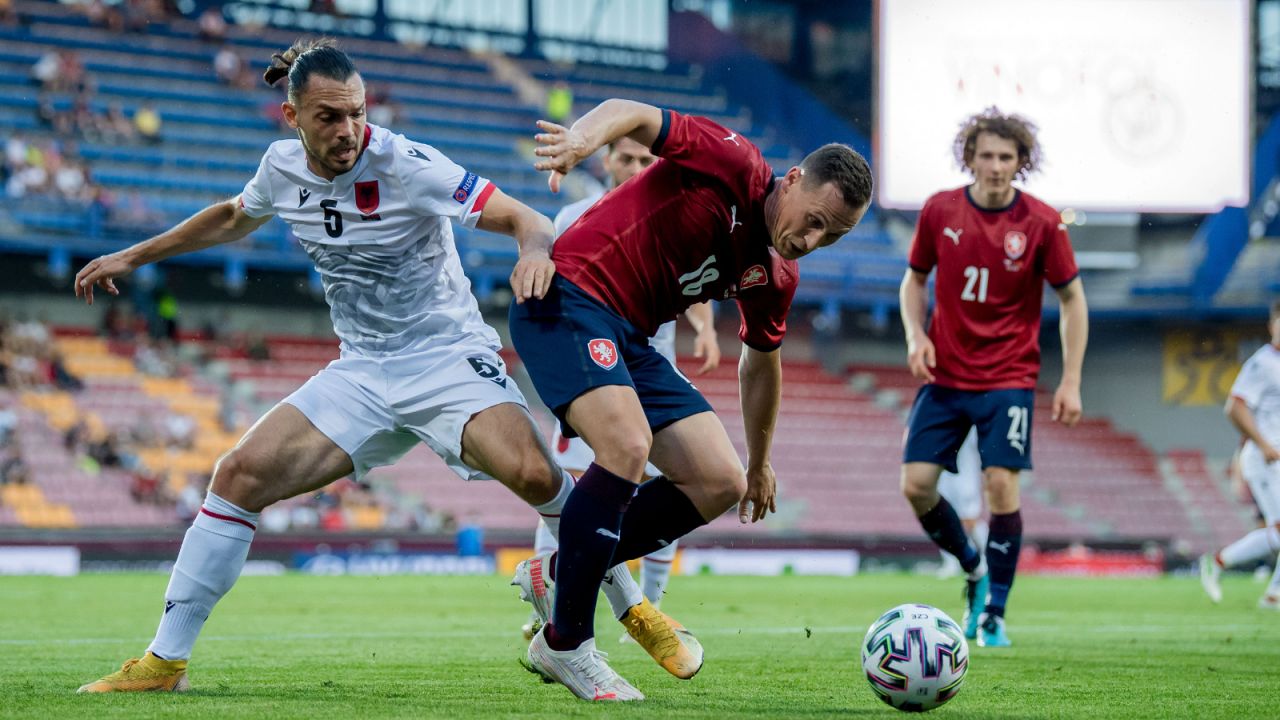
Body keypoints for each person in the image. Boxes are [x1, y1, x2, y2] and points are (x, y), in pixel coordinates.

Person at [73, 37, 574, 694]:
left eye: (358, 113)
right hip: (363, 371)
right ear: (293, 118)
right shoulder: (281, 169)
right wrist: (133, 257)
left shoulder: (409, 164)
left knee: (539, 474)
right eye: (330, 118)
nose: (350, 131)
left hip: (447, 357)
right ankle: (164, 662)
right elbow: (231, 216)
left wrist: (535, 250)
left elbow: (527, 217)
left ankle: (617, 611)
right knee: (238, 474)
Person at [508, 98, 872, 701]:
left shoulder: (775, 274)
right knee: (628, 445)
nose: (812, 240)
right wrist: (579, 140)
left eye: (832, 236)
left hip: (629, 336)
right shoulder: (733, 162)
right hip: (567, 297)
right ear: (793, 181)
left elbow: (761, 361)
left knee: (718, 481)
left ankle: (557, 569)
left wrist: (760, 463)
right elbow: (630, 112)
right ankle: (565, 644)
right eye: (813, 220)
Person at [898, 107, 1089, 649]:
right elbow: (913, 282)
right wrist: (916, 335)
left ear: (1021, 162)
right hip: (946, 375)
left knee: (1000, 486)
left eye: (1007, 156)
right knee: (915, 486)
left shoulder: (1043, 223)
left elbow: (1073, 300)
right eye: (986, 155)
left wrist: (1070, 379)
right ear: (970, 157)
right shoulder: (940, 210)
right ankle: (972, 568)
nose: (996, 165)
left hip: (1009, 375)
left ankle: (993, 616)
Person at [523, 136, 722, 640]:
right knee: (569, 483)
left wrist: (706, 326)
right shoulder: (576, 215)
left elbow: (697, 278)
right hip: (591, 365)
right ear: (607, 159)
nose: (635, 167)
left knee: (661, 482)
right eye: (626, 158)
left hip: (650, 367)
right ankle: (549, 605)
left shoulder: (673, 214)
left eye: (646, 160)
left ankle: (646, 607)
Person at [1200, 299, 1280, 610]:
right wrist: (1262, 444)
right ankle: (1218, 562)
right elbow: (1234, 406)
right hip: (1264, 458)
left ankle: (1274, 594)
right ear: (1272, 324)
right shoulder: (1262, 363)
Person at [934, 427, 987, 579]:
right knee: (942, 519)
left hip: (965, 476)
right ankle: (950, 562)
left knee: (969, 521)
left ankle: (984, 557)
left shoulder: (971, 421)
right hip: (944, 475)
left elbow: (980, 446)